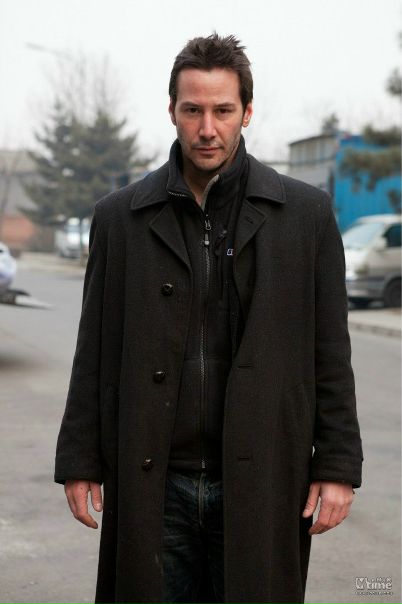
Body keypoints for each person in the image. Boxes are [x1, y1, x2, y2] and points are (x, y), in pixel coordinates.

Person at [55, 33, 363, 604]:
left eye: (223, 110)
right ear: (171, 110)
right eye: (192, 110)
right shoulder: (119, 219)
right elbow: (92, 349)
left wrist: (338, 466)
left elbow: (330, 353)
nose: (207, 128)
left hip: (263, 477)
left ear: (247, 111)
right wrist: (79, 459)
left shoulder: (306, 217)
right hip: (154, 481)